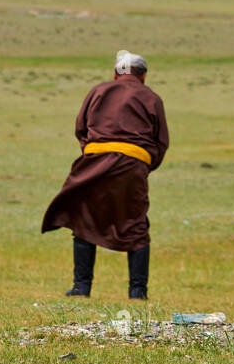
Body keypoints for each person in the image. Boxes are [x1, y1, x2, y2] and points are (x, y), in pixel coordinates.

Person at [41, 51, 169, 300]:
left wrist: (95, 155)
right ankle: (137, 292)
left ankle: (81, 288)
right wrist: (141, 166)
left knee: (84, 219)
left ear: (115, 73)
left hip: (94, 162)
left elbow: (81, 128)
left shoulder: (98, 90)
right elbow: (161, 141)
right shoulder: (152, 98)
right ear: (143, 76)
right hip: (132, 166)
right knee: (136, 223)